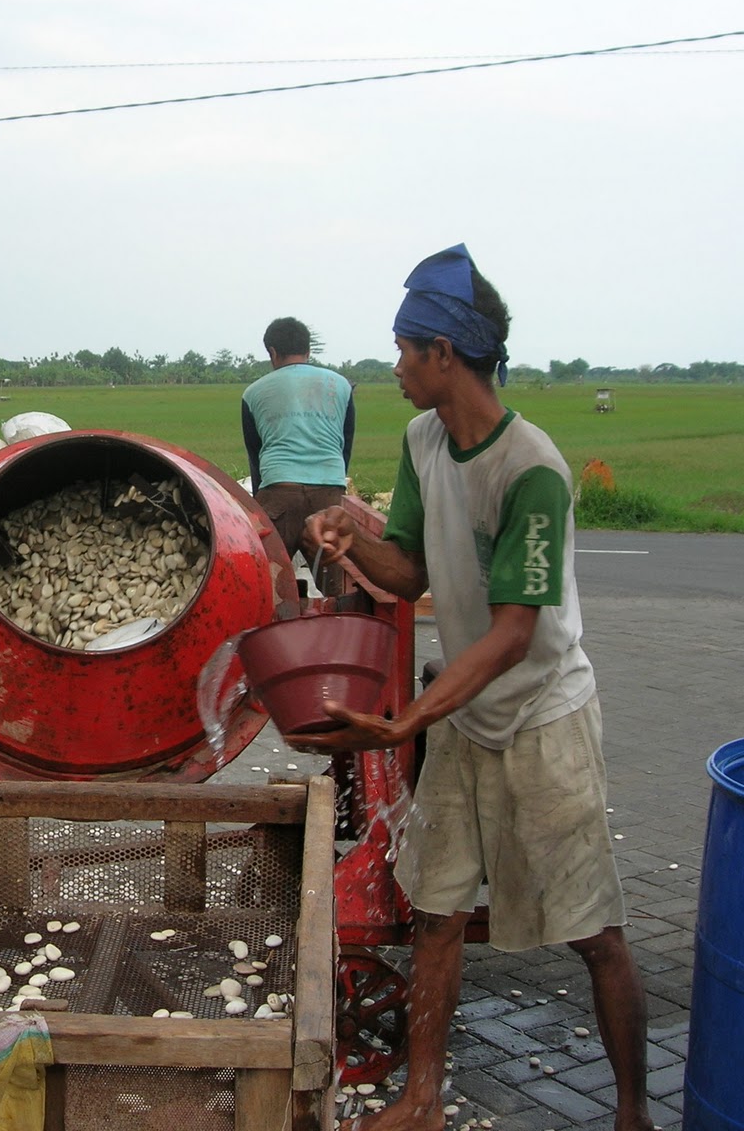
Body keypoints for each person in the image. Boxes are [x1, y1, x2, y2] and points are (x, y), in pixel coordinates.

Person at [299, 245, 655, 1131]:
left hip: (541, 718)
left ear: (444, 354)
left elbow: (512, 632)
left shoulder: (531, 468)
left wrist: (407, 719)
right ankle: (421, 1101)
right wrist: (352, 536)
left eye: (403, 350)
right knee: (437, 913)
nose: (394, 368)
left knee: (593, 931)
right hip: (460, 717)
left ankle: (633, 1110)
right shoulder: (425, 441)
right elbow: (410, 569)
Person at [240, 316, 355, 593]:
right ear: (308, 350)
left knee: (268, 590)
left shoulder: (253, 393)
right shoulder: (340, 385)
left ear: (272, 352)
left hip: (278, 492)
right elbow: (345, 443)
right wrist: (334, 485)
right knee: (334, 590)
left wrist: (262, 504)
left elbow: (255, 455)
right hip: (329, 494)